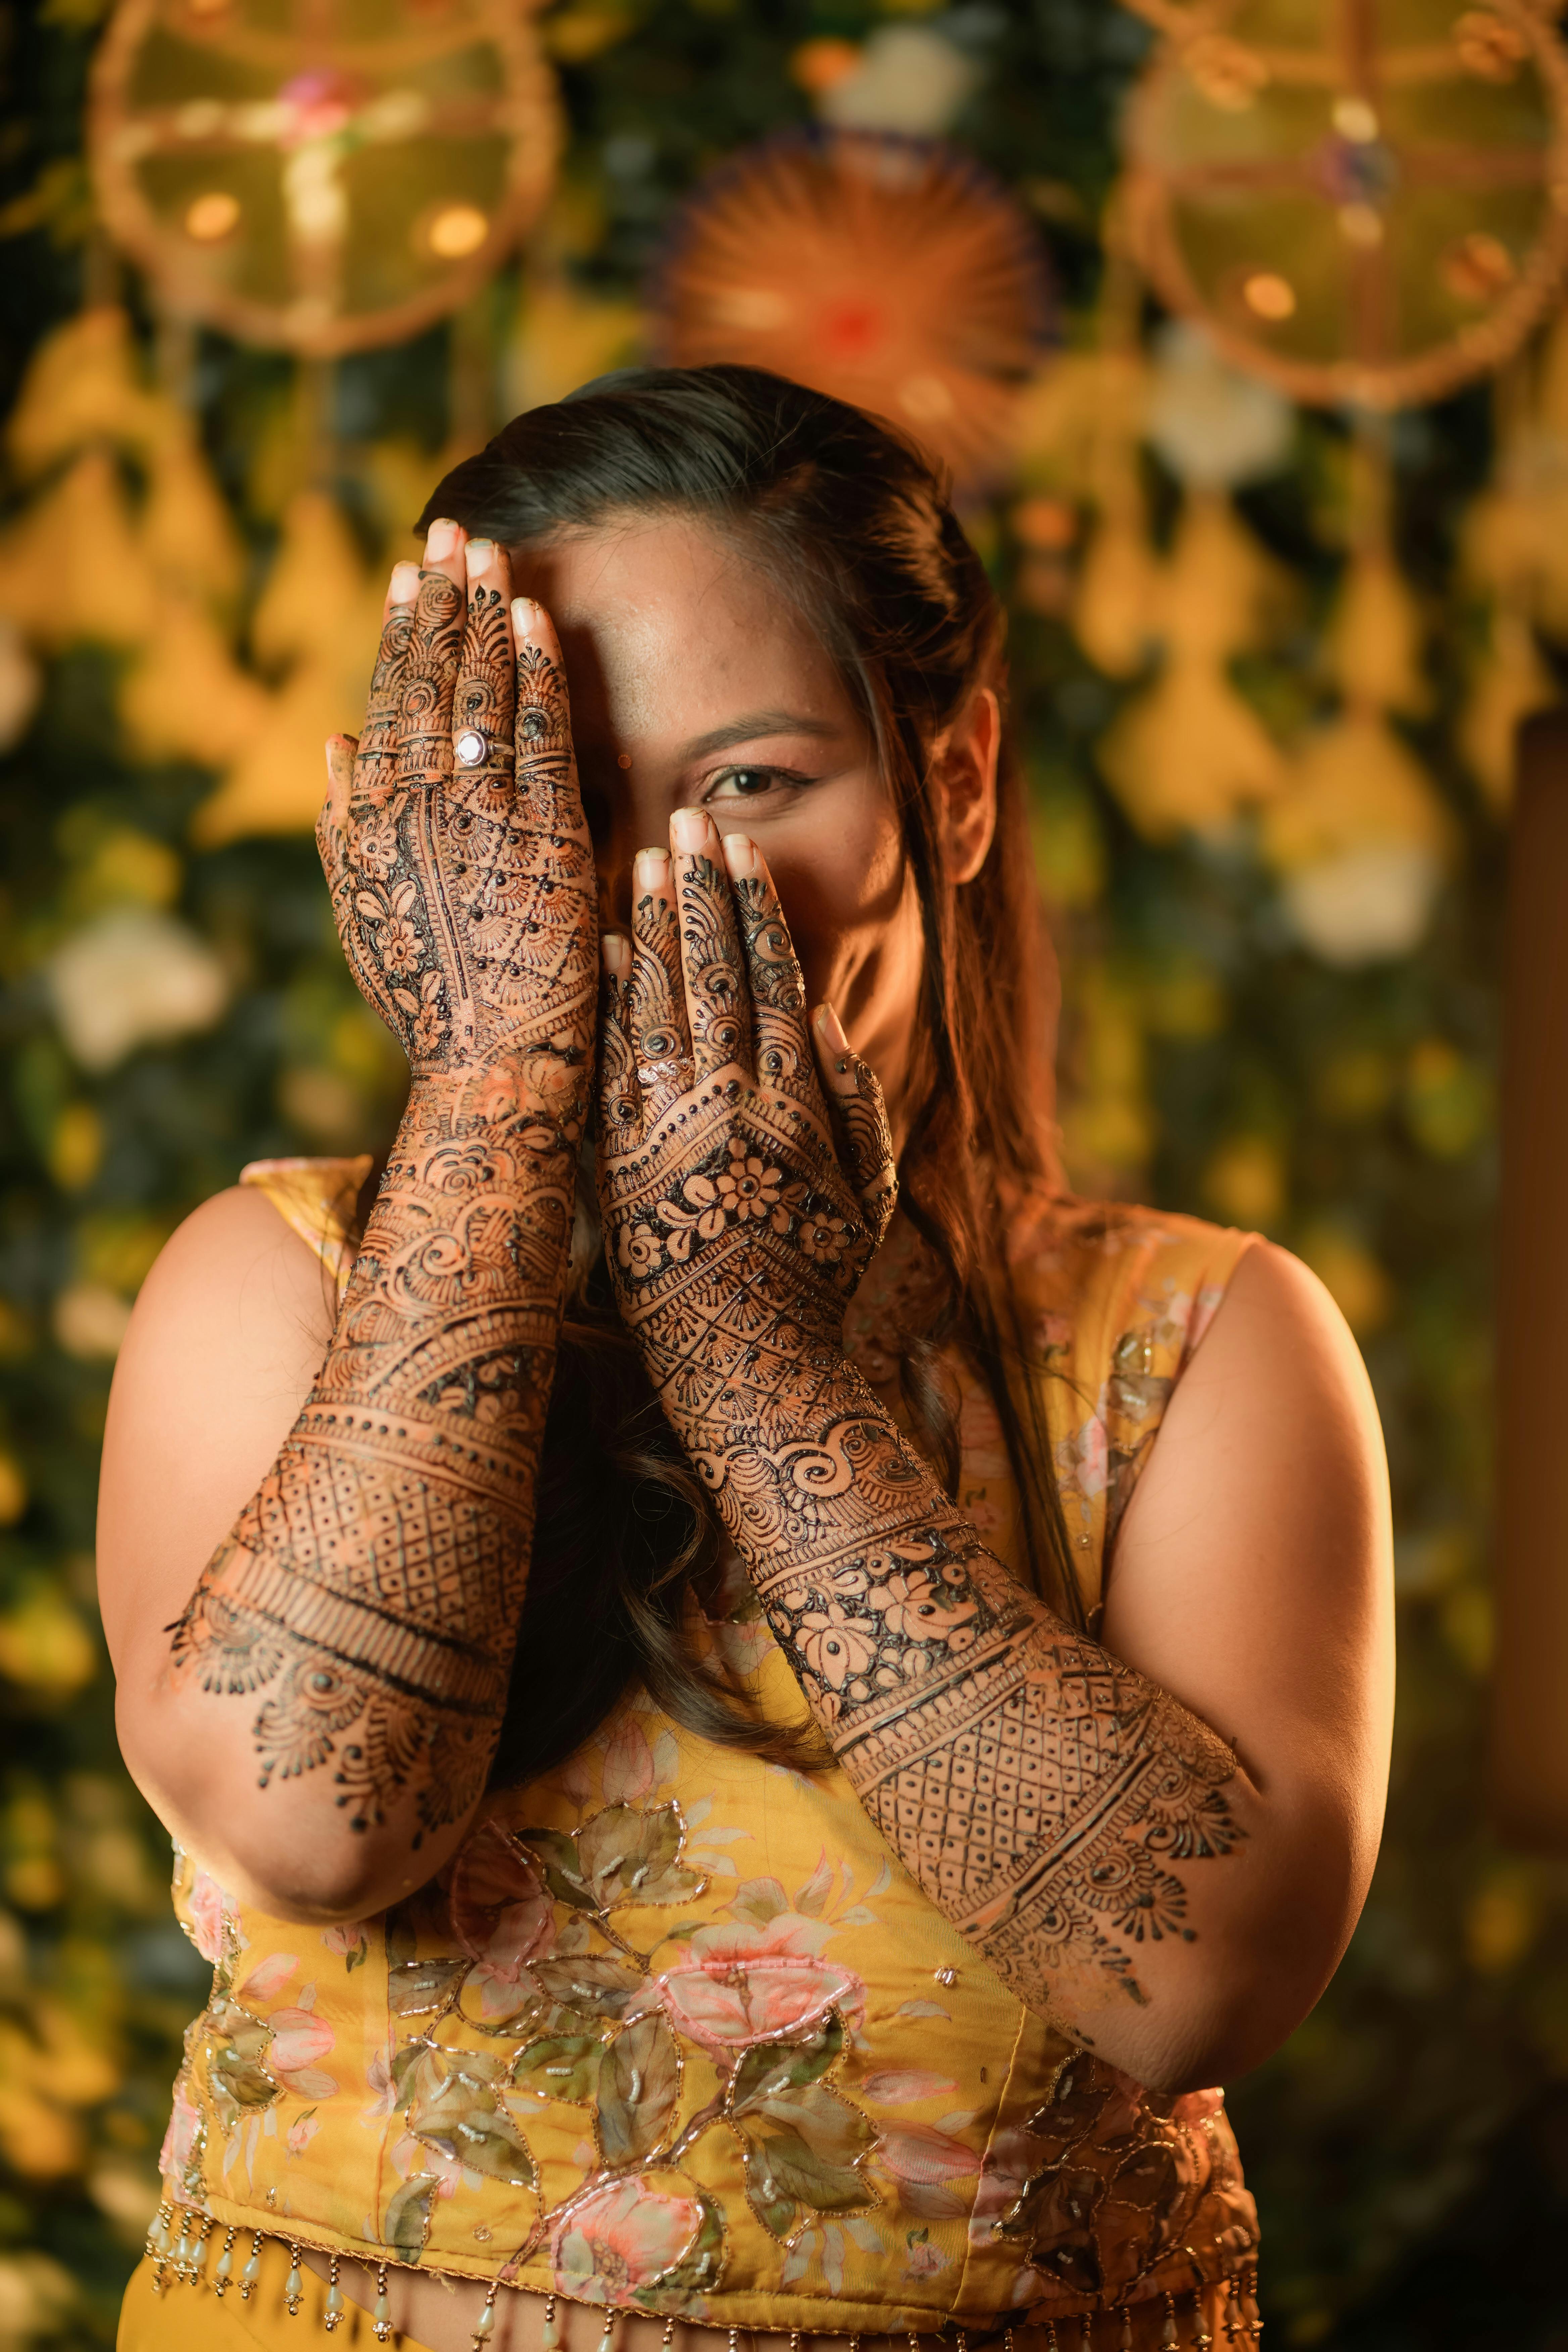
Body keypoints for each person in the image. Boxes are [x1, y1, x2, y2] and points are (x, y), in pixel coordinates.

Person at [102, 368, 1392, 2352]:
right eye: (554, 794)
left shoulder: (1201, 1345)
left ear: (955, 786)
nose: (640, 895)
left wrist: (751, 1356)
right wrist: (499, 1082)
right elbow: (310, 1818)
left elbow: (1201, 1982)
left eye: (750, 785)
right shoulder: (279, 1283)